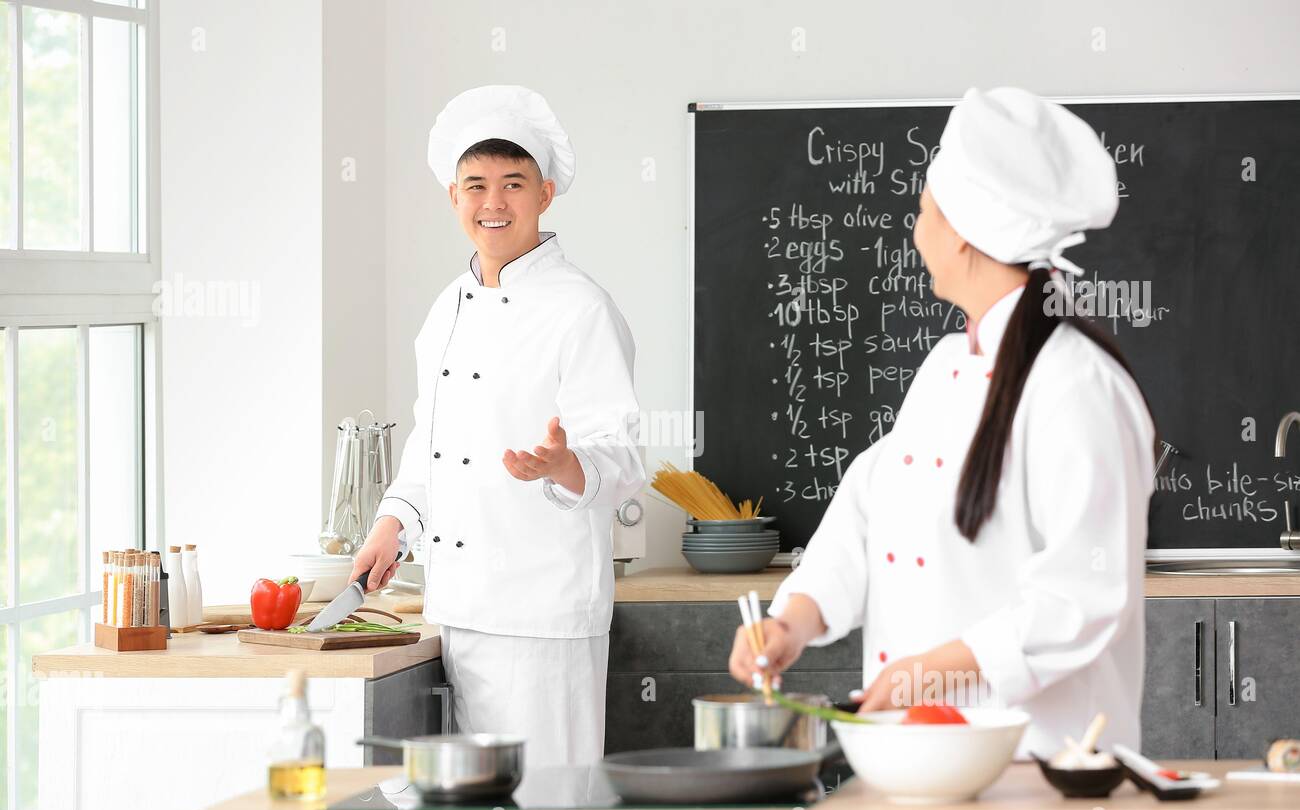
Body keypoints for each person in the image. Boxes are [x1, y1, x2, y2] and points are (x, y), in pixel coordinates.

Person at [729, 87, 1158, 758]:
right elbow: (872, 510)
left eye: (923, 209)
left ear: (960, 233)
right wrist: (793, 619)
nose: (915, 228)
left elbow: (1081, 596)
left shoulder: (1078, 387)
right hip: (926, 761)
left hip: (1039, 766)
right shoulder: (944, 365)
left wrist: (931, 673)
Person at [353, 85, 644, 767]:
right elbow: (430, 449)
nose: (493, 202)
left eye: (513, 184)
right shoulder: (445, 310)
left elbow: (623, 458)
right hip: (454, 612)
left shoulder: (582, 309)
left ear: (545, 193)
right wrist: (391, 524)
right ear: (452, 198)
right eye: (476, 185)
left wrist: (565, 467)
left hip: (541, 621)